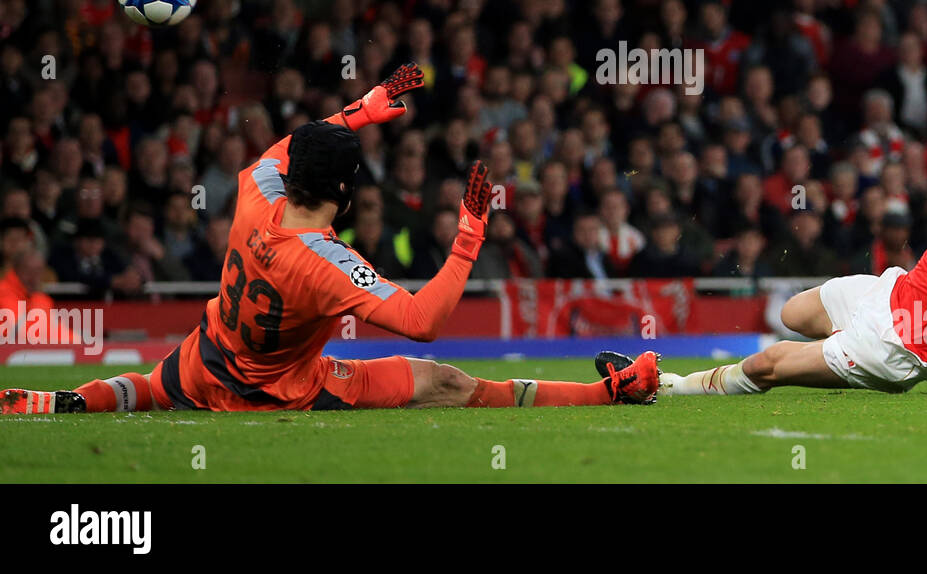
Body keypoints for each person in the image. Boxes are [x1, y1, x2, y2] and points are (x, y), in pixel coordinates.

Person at [3, 65, 658, 415]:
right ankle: (607, 393)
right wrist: (468, 235)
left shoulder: (254, 185)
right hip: (277, 392)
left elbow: (294, 146)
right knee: (444, 382)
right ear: (344, 196)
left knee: (151, 386)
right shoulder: (328, 263)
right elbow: (423, 321)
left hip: (206, 358)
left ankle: (62, 402)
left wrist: (359, 110)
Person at [604, 6, 927, 399]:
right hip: (891, 293)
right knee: (793, 315)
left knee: (769, 364)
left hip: (898, 344)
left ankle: (667, 386)